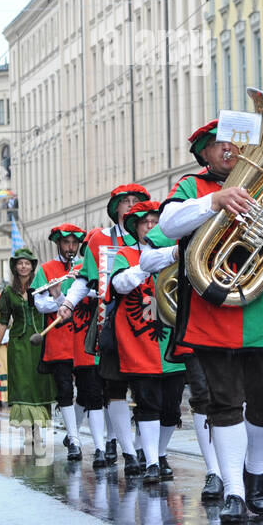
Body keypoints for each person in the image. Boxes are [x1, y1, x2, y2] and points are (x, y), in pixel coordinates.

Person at [158, 120, 263, 524]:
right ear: (203, 154)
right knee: (224, 402)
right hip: (214, 311)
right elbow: (168, 224)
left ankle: (255, 470)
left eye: (237, 143)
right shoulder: (193, 188)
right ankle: (234, 490)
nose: (230, 150)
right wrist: (215, 202)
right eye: (219, 145)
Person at [60, 183, 151, 474]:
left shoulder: (158, 238)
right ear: (116, 209)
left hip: (148, 324)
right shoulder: (100, 239)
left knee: (150, 393)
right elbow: (84, 280)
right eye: (126, 201)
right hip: (112, 323)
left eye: (137, 201)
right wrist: (68, 304)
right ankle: (125, 448)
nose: (131, 205)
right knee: (115, 388)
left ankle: (147, 450)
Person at [109, 202, 185, 484]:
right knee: (148, 402)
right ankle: (151, 460)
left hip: (172, 340)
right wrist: (150, 262)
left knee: (172, 407)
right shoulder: (125, 253)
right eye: (145, 223)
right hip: (139, 342)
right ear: (136, 228)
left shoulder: (179, 250)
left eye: (156, 222)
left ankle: (160, 453)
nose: (151, 227)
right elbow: (119, 285)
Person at [31, 224, 86, 461]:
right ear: (58, 244)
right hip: (58, 338)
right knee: (64, 389)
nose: (71, 247)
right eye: (66, 243)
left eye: (74, 243)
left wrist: (62, 298)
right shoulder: (46, 269)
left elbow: (90, 296)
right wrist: (57, 299)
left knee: (88, 390)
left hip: (83, 335)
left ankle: (72, 431)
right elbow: (40, 304)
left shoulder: (84, 267)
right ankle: (74, 439)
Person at [0, 249, 54, 448]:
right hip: (19, 344)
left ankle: (39, 429)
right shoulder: (8, 292)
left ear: (32, 266)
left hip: (39, 341)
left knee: (38, 383)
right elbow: (2, 322)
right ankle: (29, 430)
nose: (23, 266)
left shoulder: (41, 287)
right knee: (22, 384)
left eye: (27, 263)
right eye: (20, 263)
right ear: (14, 267)